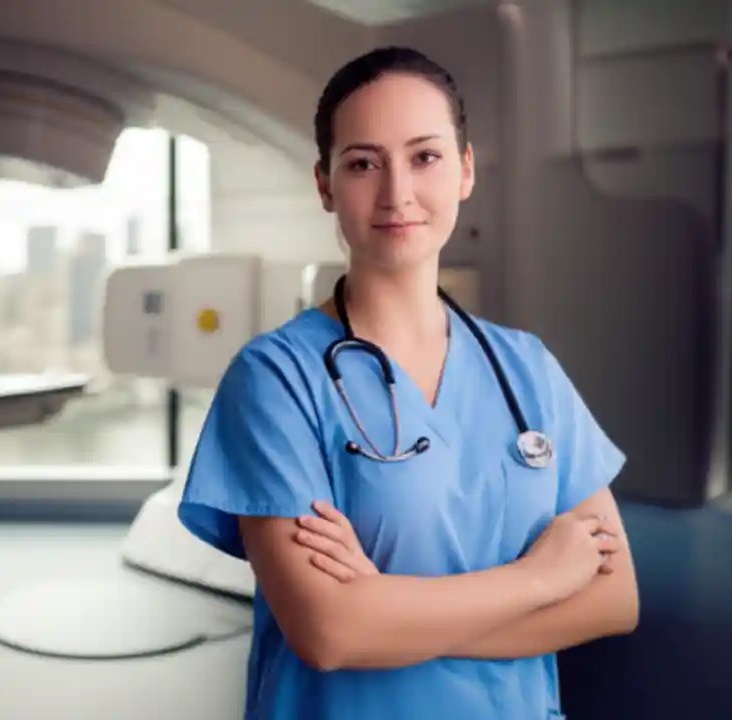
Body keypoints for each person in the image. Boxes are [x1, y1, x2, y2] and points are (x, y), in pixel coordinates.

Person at [177, 46, 639, 719]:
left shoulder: (526, 369)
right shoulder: (277, 379)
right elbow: (331, 633)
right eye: (363, 163)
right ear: (325, 185)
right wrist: (537, 579)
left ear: (466, 169)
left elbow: (613, 598)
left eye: (425, 156)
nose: (397, 193)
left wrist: (387, 614)